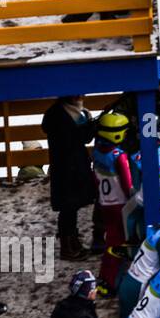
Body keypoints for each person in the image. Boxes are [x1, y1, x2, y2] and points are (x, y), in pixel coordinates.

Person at [41, 95, 97, 260]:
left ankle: (72, 244)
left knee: (71, 208)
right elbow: (77, 138)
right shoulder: (60, 115)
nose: (80, 96)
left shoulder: (75, 113)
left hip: (71, 167)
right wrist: (91, 127)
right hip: (67, 168)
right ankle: (67, 248)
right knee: (69, 208)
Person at [90, 111, 136, 293]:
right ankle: (110, 280)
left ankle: (109, 277)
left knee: (111, 239)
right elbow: (127, 183)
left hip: (104, 202)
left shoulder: (97, 152)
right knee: (119, 243)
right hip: (121, 205)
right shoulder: (119, 156)